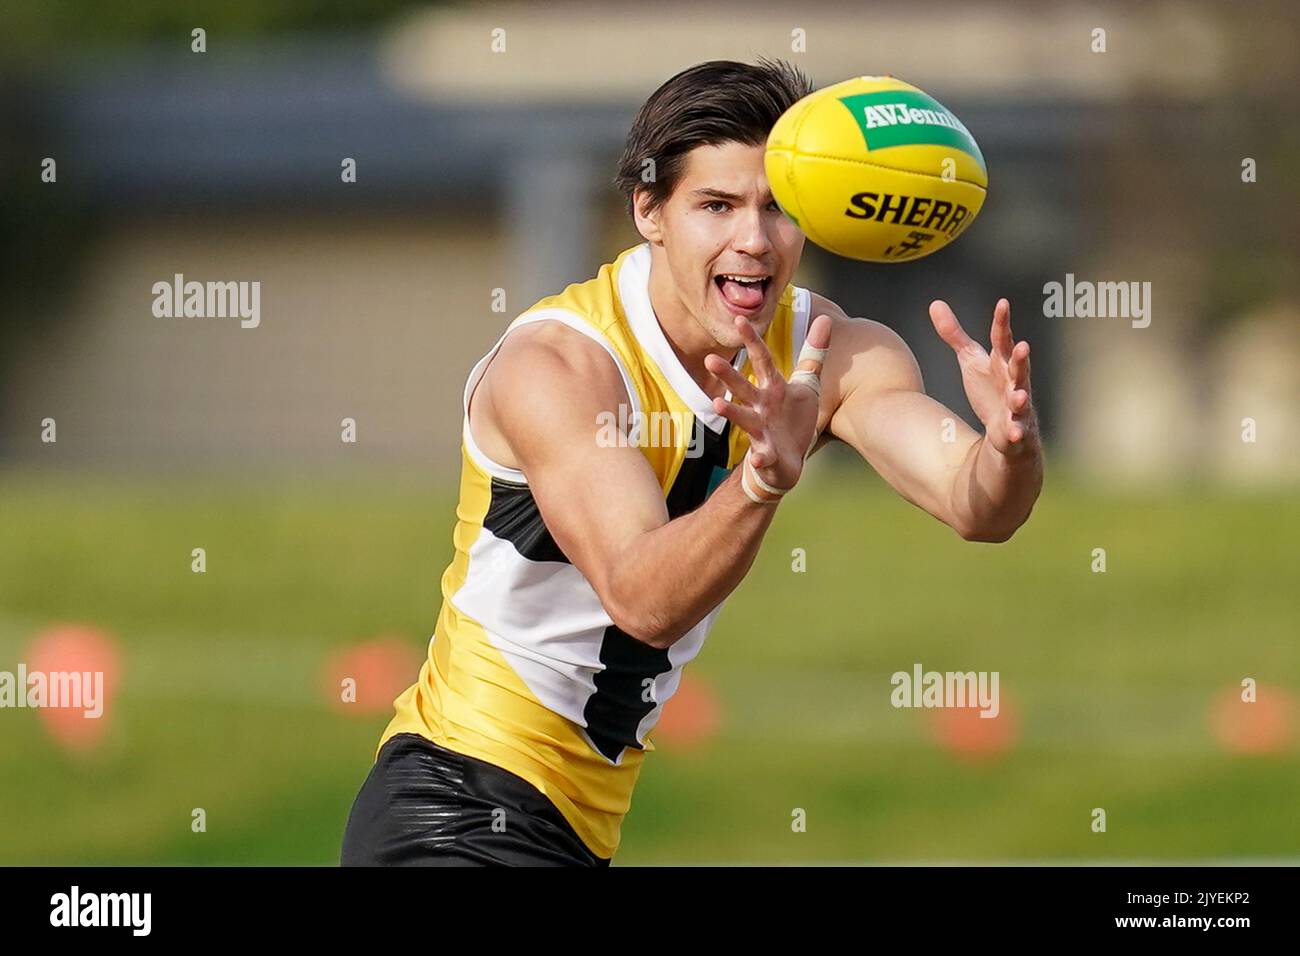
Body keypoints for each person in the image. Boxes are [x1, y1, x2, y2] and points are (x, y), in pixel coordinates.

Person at [341, 58, 1043, 867]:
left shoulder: (832, 351)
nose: (753, 239)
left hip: (576, 827)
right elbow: (644, 598)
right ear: (650, 211)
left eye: (779, 208)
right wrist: (762, 479)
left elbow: (977, 506)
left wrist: (1009, 446)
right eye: (717, 205)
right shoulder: (562, 367)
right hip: (454, 804)